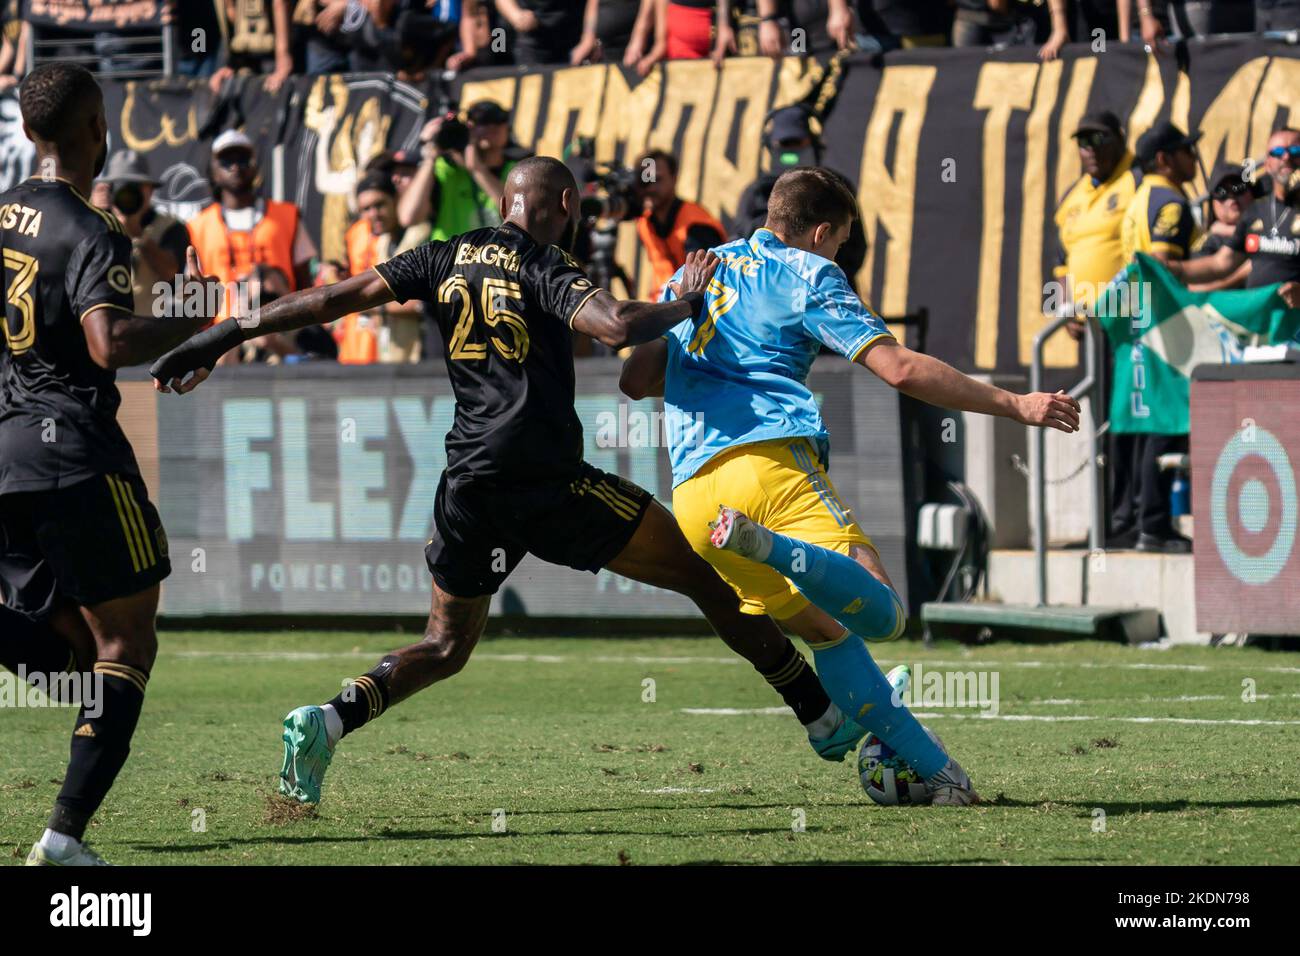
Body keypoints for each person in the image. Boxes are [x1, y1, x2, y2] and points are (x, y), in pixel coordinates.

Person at [151, 156, 889, 805]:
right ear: (563, 209)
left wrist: (225, 332)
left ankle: (330, 719)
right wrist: (691, 302)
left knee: (444, 646)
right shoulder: (545, 264)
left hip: (467, 485)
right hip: (546, 482)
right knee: (707, 571)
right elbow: (615, 326)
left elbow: (327, 300)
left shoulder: (439, 256)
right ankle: (819, 715)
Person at [619, 167, 1081, 804]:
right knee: (885, 613)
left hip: (695, 496)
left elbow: (635, 380)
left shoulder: (697, 270)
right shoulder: (808, 273)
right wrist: (1015, 403)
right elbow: (899, 367)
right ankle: (771, 547)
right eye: (839, 243)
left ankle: (947, 781)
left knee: (827, 635)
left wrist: (686, 310)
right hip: (767, 467)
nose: (838, 254)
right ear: (819, 232)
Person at [0, 63, 216, 866]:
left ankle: (65, 825)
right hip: (74, 456)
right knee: (126, 645)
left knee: (75, 656)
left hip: (5, 457)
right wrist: (200, 318)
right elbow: (107, 343)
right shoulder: (93, 232)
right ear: (99, 130)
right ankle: (62, 836)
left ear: (28, 132)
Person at [1116, 121, 1201, 553]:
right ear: (1165, 159)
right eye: (1187, 150)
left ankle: (1143, 520)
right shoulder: (1170, 202)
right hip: (1167, 326)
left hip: (1140, 325)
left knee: (1149, 425)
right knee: (1165, 425)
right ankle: (1154, 524)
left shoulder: (1136, 201)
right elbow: (1165, 264)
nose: (1195, 158)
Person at [187, 129, 318, 348]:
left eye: (243, 159)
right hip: (223, 340)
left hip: (282, 333)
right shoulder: (198, 226)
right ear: (214, 171)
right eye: (227, 161)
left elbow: (305, 281)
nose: (236, 167)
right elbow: (193, 292)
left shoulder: (286, 216)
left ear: (255, 166)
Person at [1166, 129, 1300, 303]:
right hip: (1259, 325)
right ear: (1267, 163)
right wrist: (1172, 268)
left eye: (1296, 151)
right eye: (1278, 152)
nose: (1286, 157)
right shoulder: (1255, 211)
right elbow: (1220, 264)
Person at [1055, 112, 1139, 328]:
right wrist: (1065, 309)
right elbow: (1061, 262)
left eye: (1099, 139)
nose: (1091, 149)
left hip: (1132, 322)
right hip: (1090, 328)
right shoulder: (1071, 195)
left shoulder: (1139, 179)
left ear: (1120, 139)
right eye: (1084, 142)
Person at [336, 172, 428, 363]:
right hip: (392, 357)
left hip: (425, 353)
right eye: (366, 209)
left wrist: (373, 306)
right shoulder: (382, 243)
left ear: (395, 199)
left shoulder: (421, 235)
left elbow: (424, 304)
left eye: (379, 204)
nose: (373, 214)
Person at [399, 100, 520, 243]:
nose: (489, 128)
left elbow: (518, 217)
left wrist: (478, 170)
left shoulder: (517, 170)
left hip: (496, 260)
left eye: (497, 122)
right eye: (480, 123)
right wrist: (429, 156)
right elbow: (409, 217)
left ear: (507, 129)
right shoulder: (443, 169)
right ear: (468, 129)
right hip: (450, 261)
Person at [99, 150, 191, 316]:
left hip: (151, 330)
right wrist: (92, 213)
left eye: (136, 187)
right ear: (109, 191)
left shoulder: (171, 227)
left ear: (150, 189)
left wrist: (138, 235)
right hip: (105, 327)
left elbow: (171, 273)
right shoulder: (95, 224)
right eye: (122, 187)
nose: (128, 195)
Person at [635, 148, 726, 300]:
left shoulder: (696, 225)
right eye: (644, 181)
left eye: (657, 179)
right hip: (662, 306)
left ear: (674, 178)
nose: (650, 188)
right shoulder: (644, 222)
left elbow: (706, 287)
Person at [1187, 163, 1255, 292]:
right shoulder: (1208, 243)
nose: (1232, 198)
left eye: (1238, 187)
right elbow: (1195, 288)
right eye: (1221, 192)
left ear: (1252, 193)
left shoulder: (1275, 226)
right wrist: (1241, 274)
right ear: (1212, 202)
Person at [952, 0, 1070, 60]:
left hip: (1015, 18)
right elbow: (997, 4)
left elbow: (997, 4)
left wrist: (1059, 29)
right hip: (972, 17)